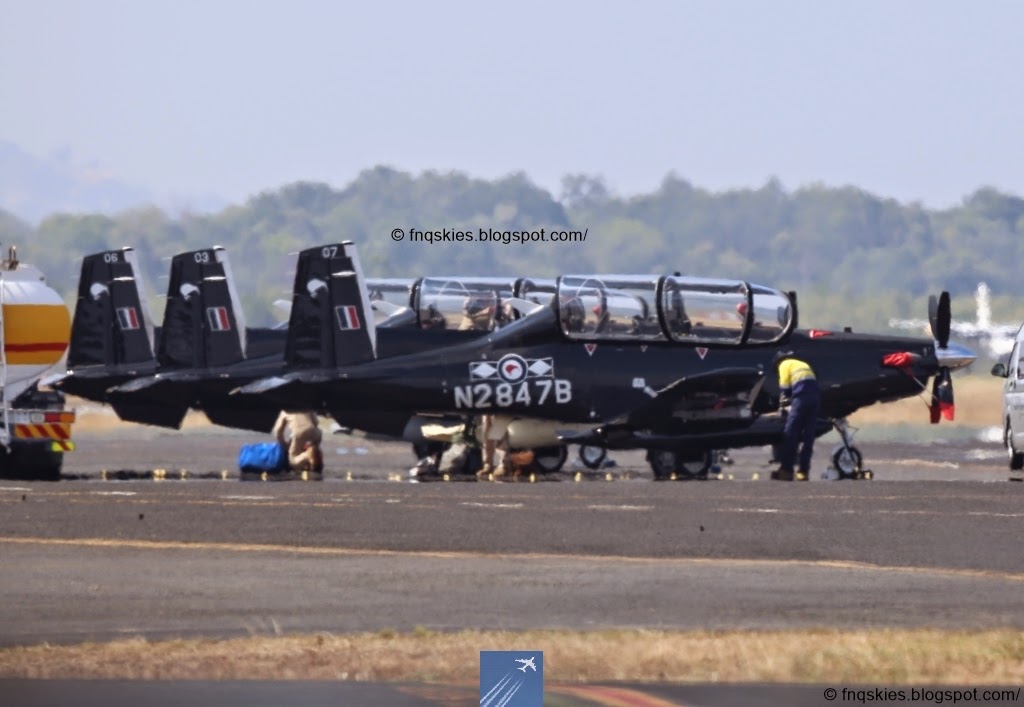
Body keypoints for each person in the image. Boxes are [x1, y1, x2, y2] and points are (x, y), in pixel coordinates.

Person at [772, 350, 821, 481]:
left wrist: (783, 403)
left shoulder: (784, 364)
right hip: (814, 399)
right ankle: (803, 472)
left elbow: (784, 387)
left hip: (801, 398)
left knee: (790, 433)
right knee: (808, 436)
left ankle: (786, 470)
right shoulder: (803, 364)